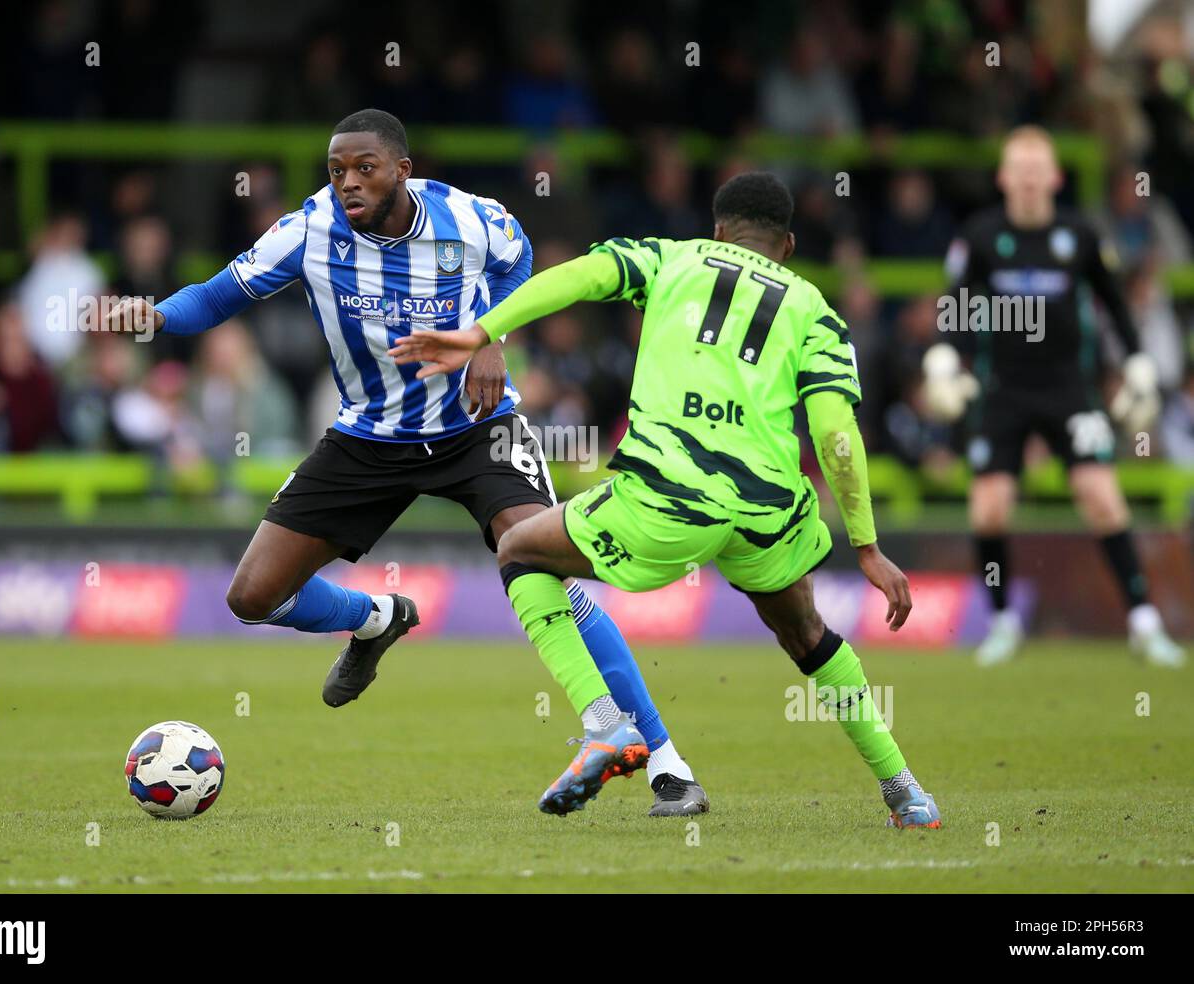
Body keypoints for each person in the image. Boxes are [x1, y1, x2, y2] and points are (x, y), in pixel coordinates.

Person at [104, 109, 706, 816]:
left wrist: (491, 338)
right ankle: (375, 618)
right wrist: (152, 315)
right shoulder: (308, 231)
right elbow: (214, 297)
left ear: (401, 171)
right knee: (252, 597)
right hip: (368, 437)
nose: (348, 183)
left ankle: (663, 762)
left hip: (476, 426)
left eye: (364, 168)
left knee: (544, 561)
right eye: (336, 171)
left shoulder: (470, 219)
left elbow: (521, 263)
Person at [391, 171, 940, 828]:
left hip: (667, 502)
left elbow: (579, 275)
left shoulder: (668, 258)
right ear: (788, 246)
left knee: (520, 550)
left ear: (717, 230)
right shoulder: (814, 310)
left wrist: (483, 332)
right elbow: (835, 436)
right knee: (808, 636)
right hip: (768, 515)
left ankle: (606, 725)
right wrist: (868, 547)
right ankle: (906, 791)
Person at [923, 126, 1185, 668]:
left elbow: (1114, 304)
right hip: (1003, 389)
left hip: (1070, 388)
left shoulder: (1080, 236)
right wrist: (946, 358)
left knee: (1103, 500)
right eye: (1017, 169)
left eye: (1036, 168)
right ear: (1002, 177)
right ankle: (1000, 622)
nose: (1027, 179)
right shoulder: (980, 236)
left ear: (1055, 177)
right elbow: (955, 306)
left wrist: (1135, 362)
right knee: (989, 510)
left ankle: (1144, 621)